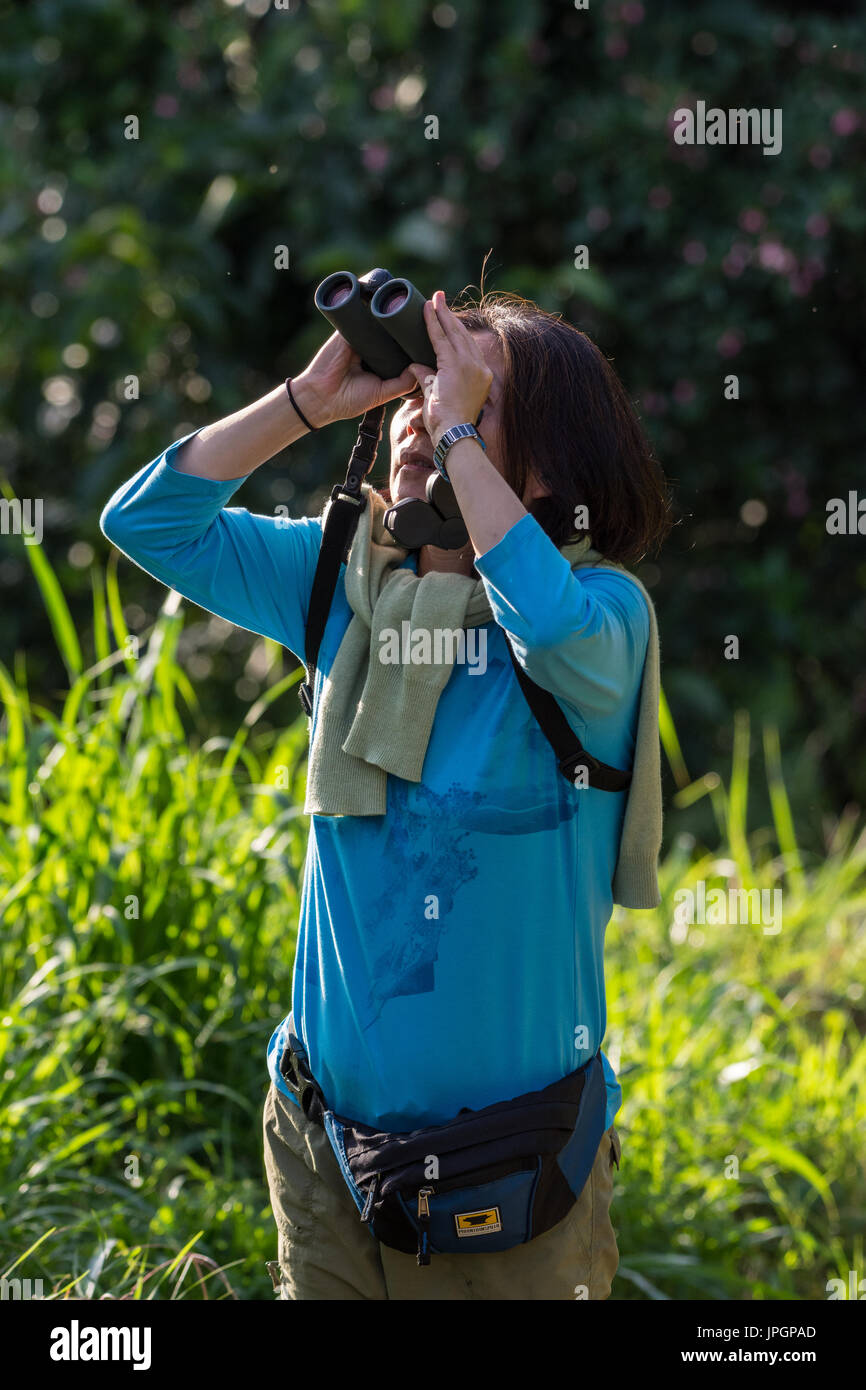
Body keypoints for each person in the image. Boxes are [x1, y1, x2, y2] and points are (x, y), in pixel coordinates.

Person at [100, 287, 672, 1301]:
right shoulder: (341, 585)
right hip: (324, 1152)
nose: (422, 413)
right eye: (413, 394)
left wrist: (450, 435)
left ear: (552, 463)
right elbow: (146, 521)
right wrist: (308, 400)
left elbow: (539, 617)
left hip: (515, 1174)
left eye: (468, 398)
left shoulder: (599, 622)